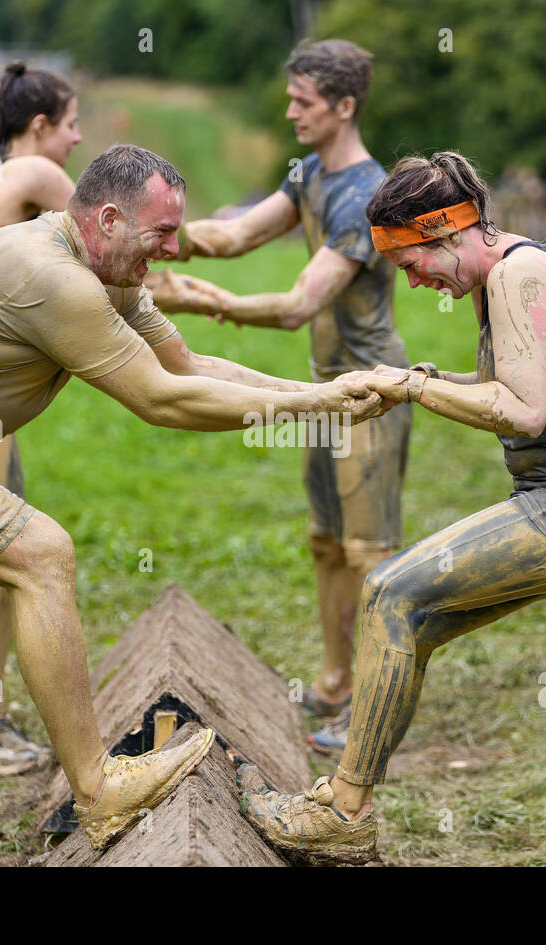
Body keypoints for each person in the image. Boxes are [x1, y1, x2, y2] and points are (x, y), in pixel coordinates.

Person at [0, 144, 384, 864]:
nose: (172, 248)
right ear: (106, 219)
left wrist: (322, 399)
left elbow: (188, 368)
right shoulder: (51, 277)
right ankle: (96, 787)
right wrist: (315, 403)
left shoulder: (109, 277)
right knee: (41, 553)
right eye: (160, 233)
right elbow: (162, 401)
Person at [237, 152, 546, 864]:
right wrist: (431, 379)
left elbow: (520, 412)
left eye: (410, 263)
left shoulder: (519, 275)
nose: (412, 280)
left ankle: (342, 812)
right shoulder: (501, 275)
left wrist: (409, 386)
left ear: (445, 233)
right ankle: (346, 806)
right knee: (413, 618)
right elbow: (507, 385)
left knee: (389, 591)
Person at [0, 63, 225, 780]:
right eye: (69, 124)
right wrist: (196, 270)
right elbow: (112, 236)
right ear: (37, 130)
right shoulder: (33, 178)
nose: (78, 138)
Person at [171, 40, 412, 747]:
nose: (289, 112)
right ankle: (335, 685)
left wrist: (199, 301)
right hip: (323, 392)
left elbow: (296, 306)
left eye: (303, 102)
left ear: (344, 106)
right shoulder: (308, 173)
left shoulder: (365, 197)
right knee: (325, 544)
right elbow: (238, 232)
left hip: (371, 394)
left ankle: (371, 708)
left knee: (369, 552)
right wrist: (167, 236)